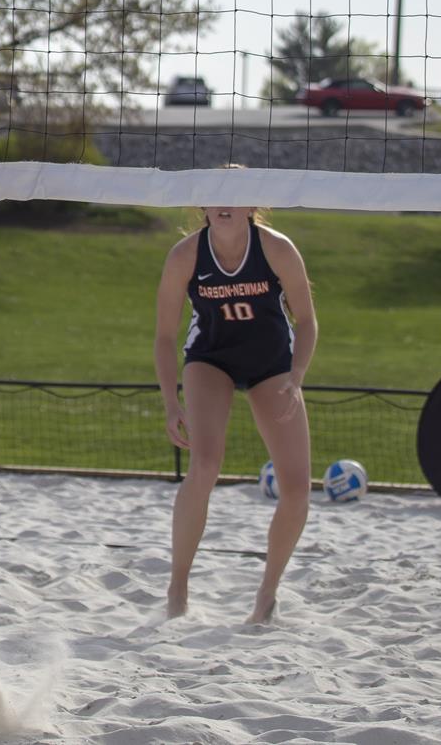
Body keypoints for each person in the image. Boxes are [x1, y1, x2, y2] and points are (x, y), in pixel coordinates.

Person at [154, 185, 319, 625]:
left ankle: (267, 594)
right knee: (205, 465)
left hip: (272, 363)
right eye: (214, 194)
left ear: (252, 205)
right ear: (203, 205)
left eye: (235, 194)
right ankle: (178, 587)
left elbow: (306, 319)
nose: (224, 202)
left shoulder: (277, 248)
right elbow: (166, 336)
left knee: (298, 489)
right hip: (211, 358)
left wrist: (297, 378)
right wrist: (172, 403)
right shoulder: (185, 255)